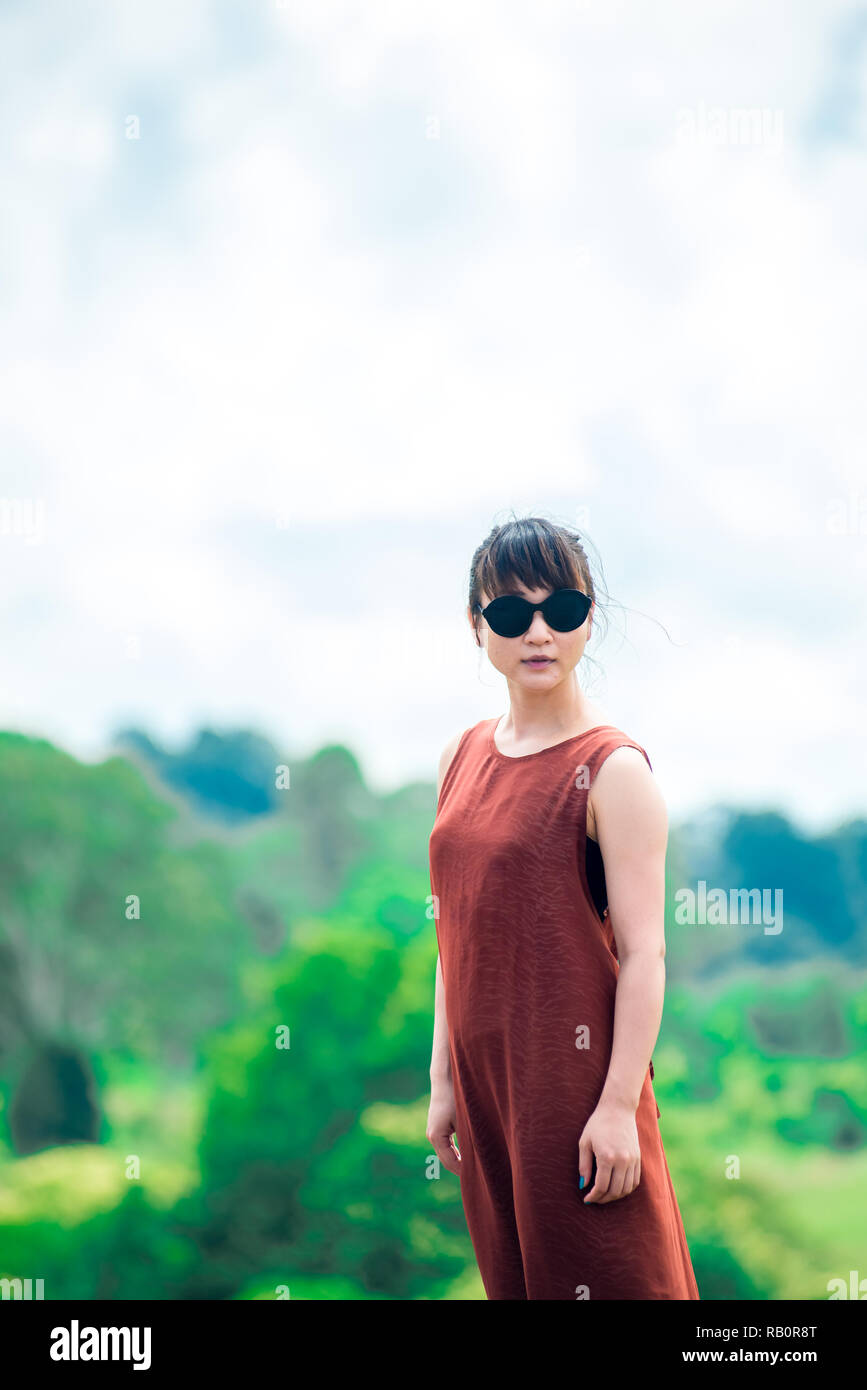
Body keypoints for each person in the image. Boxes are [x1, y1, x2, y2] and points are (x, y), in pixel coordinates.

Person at [426, 515, 700, 1300]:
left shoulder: (611, 770)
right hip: (486, 1091)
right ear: (477, 625)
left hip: (575, 1090)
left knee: (614, 1280)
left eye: (562, 610)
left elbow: (645, 955)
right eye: (511, 614)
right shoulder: (460, 756)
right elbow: (454, 932)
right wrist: (442, 1079)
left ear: (587, 618)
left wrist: (615, 1107)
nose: (538, 632)